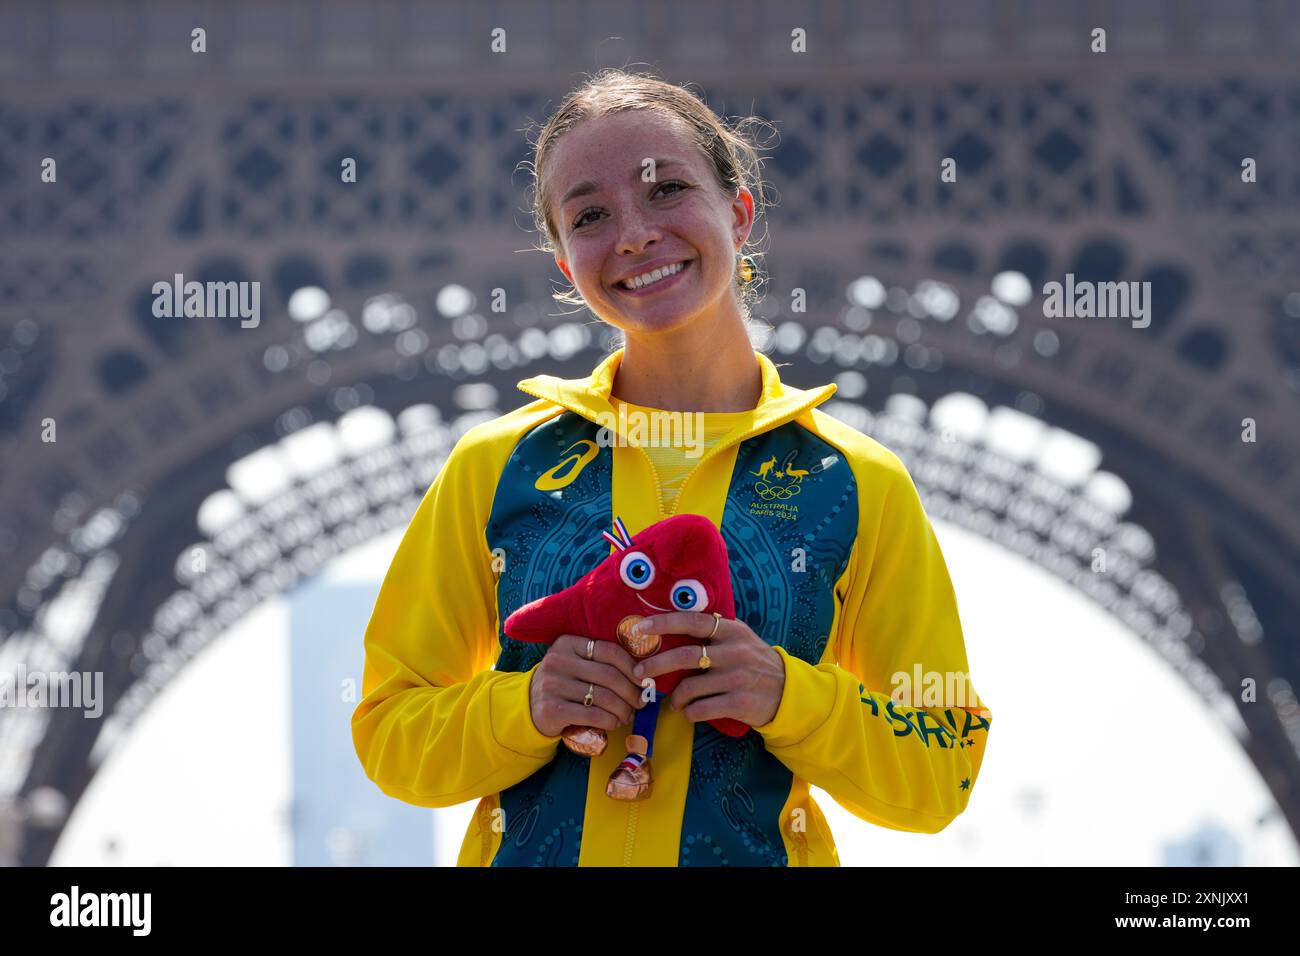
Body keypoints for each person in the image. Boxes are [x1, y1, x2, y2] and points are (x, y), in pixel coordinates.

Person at [351, 68, 992, 866]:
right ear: (564, 264)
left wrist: (788, 695)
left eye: (666, 190)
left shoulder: (860, 483)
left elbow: (942, 765)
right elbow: (388, 730)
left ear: (740, 211)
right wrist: (526, 705)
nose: (633, 233)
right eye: (590, 214)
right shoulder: (492, 467)